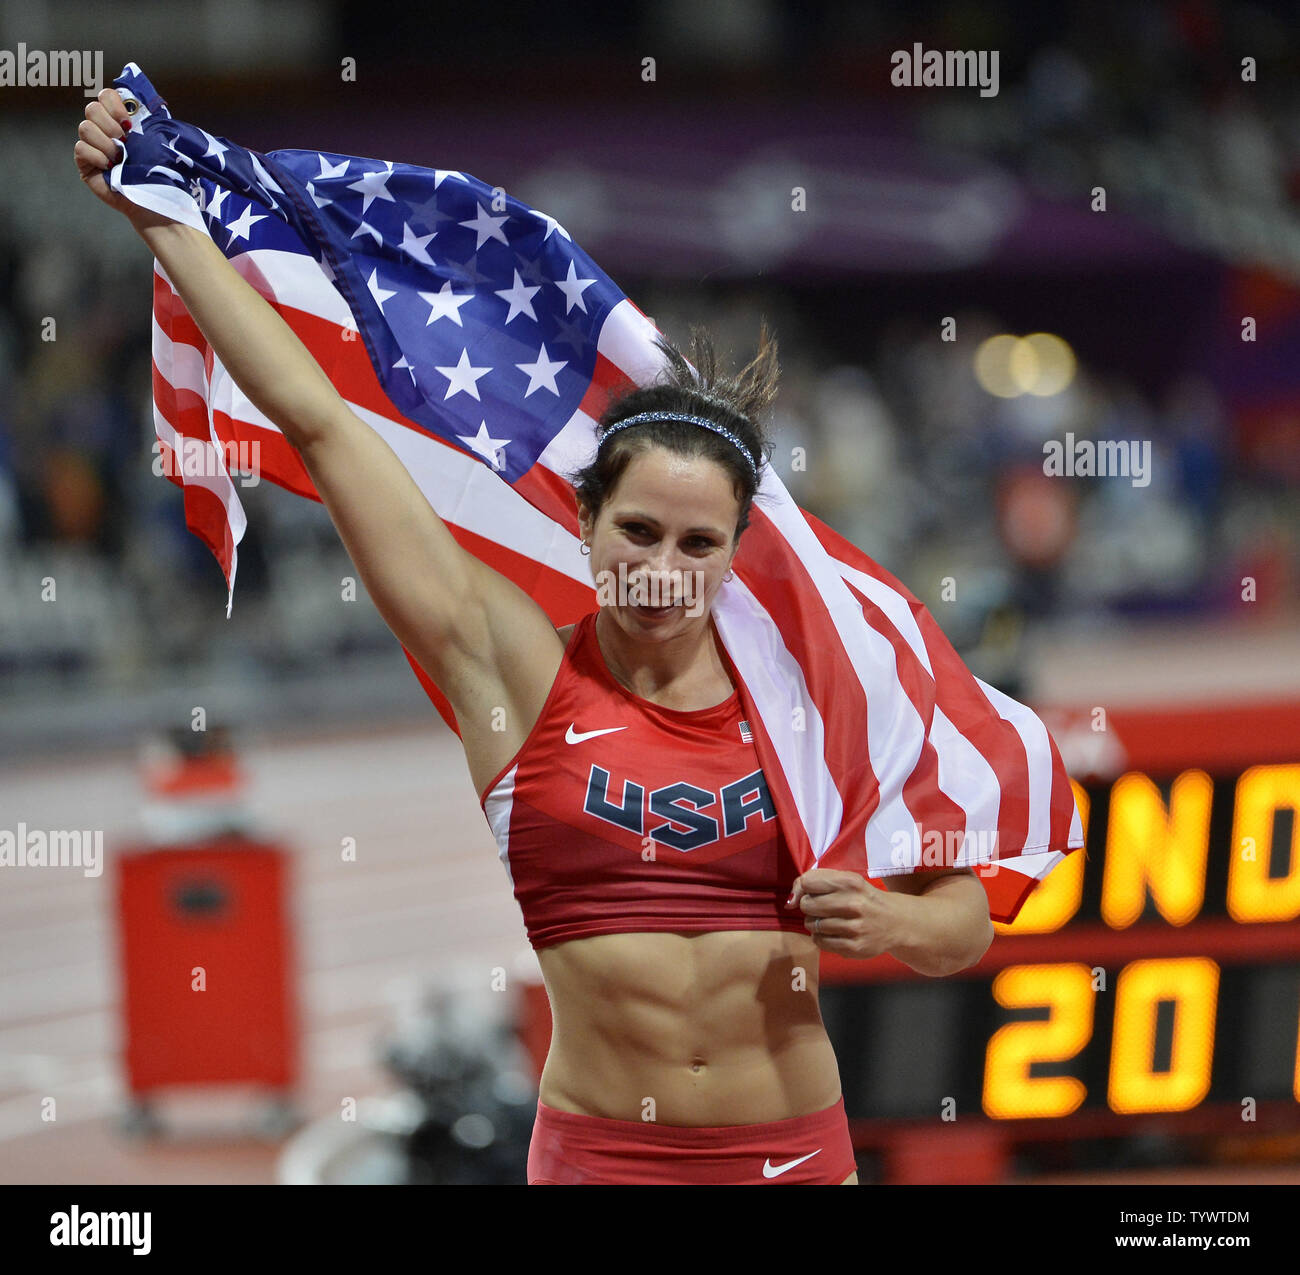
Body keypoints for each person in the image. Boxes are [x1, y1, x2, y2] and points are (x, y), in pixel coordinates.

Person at [76, 87, 995, 1185]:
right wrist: (161, 215)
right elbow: (320, 425)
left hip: (792, 1155)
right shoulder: (512, 669)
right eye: (637, 530)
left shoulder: (816, 692)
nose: (663, 567)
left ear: (735, 549)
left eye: (699, 542)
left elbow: (966, 923)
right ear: (585, 523)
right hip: (599, 1158)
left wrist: (891, 922)